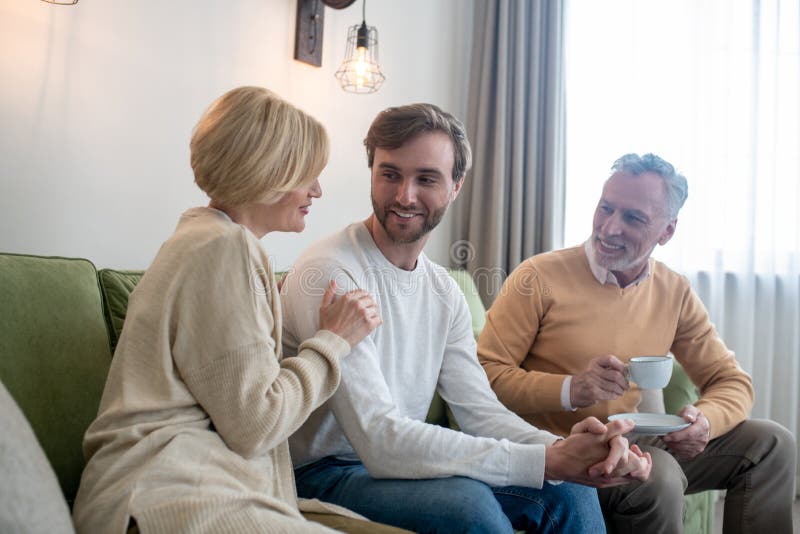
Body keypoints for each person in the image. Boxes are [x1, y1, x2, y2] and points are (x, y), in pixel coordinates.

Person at [280, 104, 652, 534]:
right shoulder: (331, 273)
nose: (404, 195)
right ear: (372, 173)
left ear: (455, 186)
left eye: (426, 179)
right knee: (467, 504)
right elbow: (378, 439)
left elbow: (481, 414)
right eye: (390, 174)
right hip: (323, 473)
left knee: (570, 491)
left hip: (401, 464)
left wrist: (568, 449)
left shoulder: (444, 291)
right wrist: (547, 459)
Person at [71, 86, 397, 533]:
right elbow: (256, 424)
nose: (317, 190)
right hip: (167, 495)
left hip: (179, 488)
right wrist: (332, 341)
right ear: (270, 173)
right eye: (308, 175)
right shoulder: (224, 249)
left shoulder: (206, 242)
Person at [477, 153, 797, 533]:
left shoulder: (673, 290)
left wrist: (705, 422)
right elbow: (484, 376)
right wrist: (570, 389)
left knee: (772, 445)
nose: (610, 228)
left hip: (635, 444)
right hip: (562, 451)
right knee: (655, 476)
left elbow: (731, 381)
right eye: (606, 208)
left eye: (633, 218)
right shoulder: (538, 277)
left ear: (667, 231)